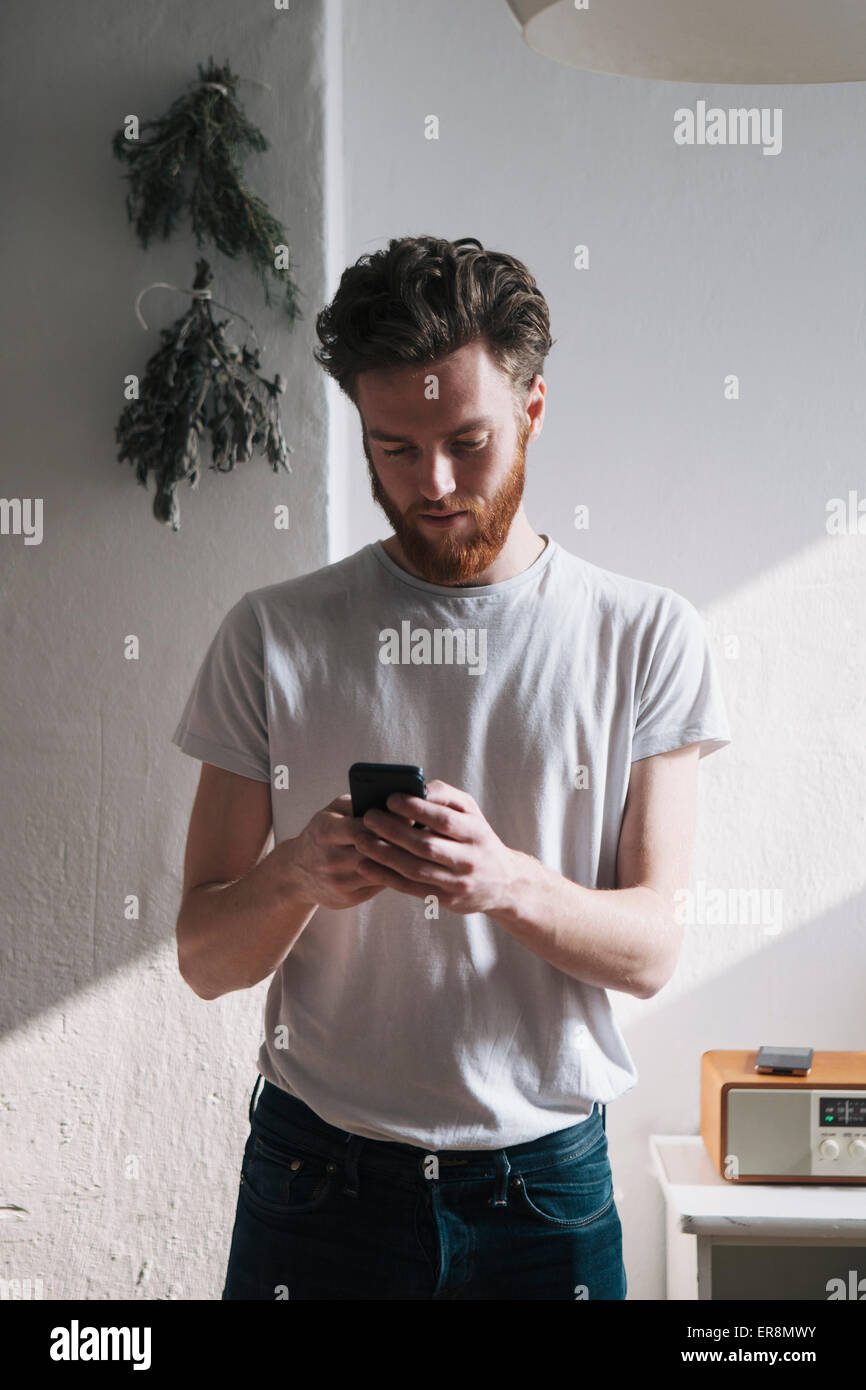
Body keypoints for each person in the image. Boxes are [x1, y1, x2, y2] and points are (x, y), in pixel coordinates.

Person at [171, 235, 732, 1300]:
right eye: (394, 449)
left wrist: (505, 881)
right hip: (314, 1179)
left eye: (466, 442)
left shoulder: (644, 635)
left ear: (530, 409)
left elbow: (651, 948)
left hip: (543, 1193)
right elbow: (204, 959)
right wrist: (294, 874)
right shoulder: (271, 636)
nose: (432, 485)